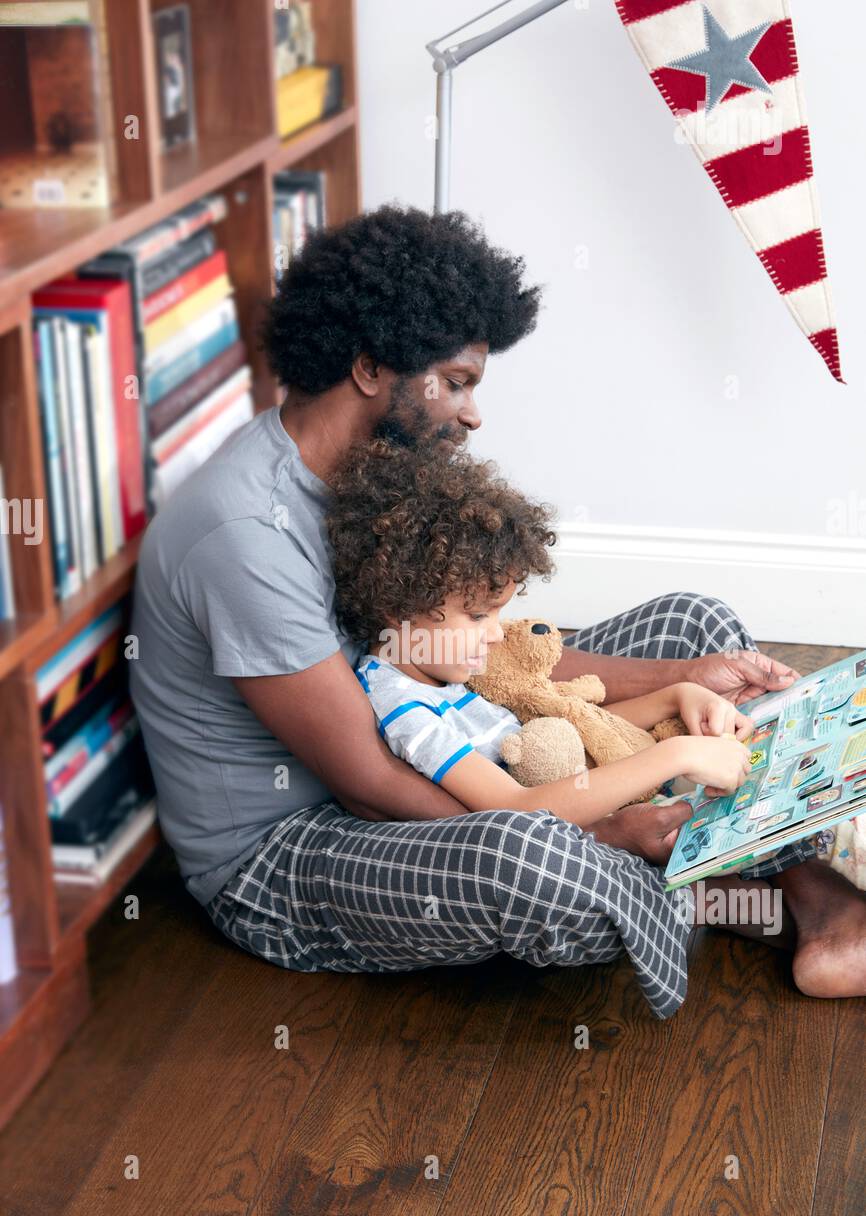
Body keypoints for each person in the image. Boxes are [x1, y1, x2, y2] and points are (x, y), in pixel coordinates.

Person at [129, 203, 866, 1019]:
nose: (474, 415)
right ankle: (720, 882)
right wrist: (595, 829)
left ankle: (810, 897)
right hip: (293, 845)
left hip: (450, 745)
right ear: (371, 367)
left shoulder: (377, 476)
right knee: (537, 861)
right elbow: (370, 784)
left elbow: (495, 659)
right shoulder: (245, 536)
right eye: (455, 383)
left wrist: (682, 675)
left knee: (696, 623)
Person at [332, 436, 754, 828]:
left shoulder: (443, 670)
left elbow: (563, 738)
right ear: (397, 609)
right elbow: (521, 808)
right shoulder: (404, 708)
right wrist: (674, 756)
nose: (497, 635)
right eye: (479, 616)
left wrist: (675, 698)